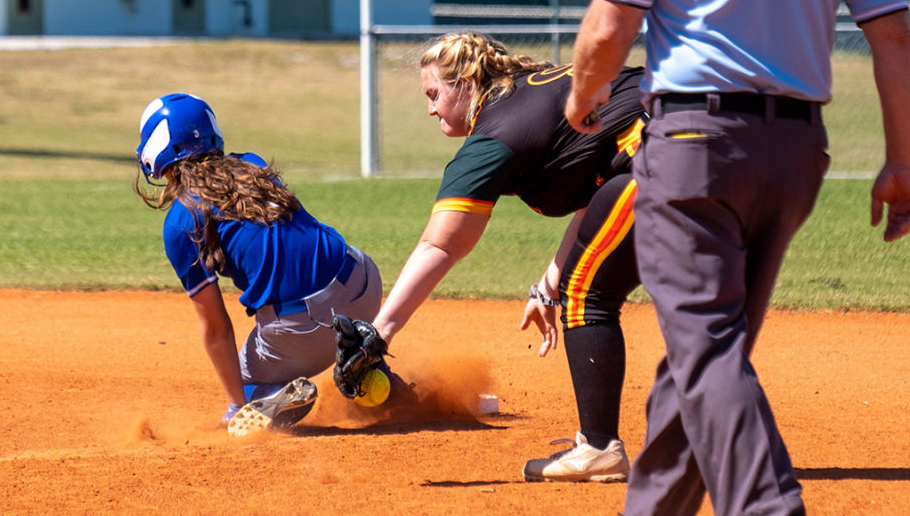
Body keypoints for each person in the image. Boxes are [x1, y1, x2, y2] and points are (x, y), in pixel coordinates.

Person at [563, 0, 910, 516]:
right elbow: (892, 35)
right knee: (705, 350)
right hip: (798, 153)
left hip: (694, 146)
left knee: (706, 346)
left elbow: (607, 28)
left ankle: (766, 505)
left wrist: (582, 95)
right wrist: (902, 160)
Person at [370, 32, 647, 482]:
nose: (431, 109)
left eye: (434, 93)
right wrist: (548, 283)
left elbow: (441, 244)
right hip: (727, 141)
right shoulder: (537, 88)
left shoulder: (495, 132)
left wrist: (377, 334)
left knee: (587, 297)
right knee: (703, 301)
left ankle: (598, 448)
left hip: (668, 153)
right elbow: (597, 193)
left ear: (466, 82)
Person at [134, 93, 386, 436]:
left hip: (306, 330)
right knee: (321, 268)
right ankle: (370, 370)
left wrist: (238, 407)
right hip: (365, 282)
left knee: (248, 386)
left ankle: (260, 399)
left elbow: (216, 329)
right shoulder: (251, 163)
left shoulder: (181, 222)